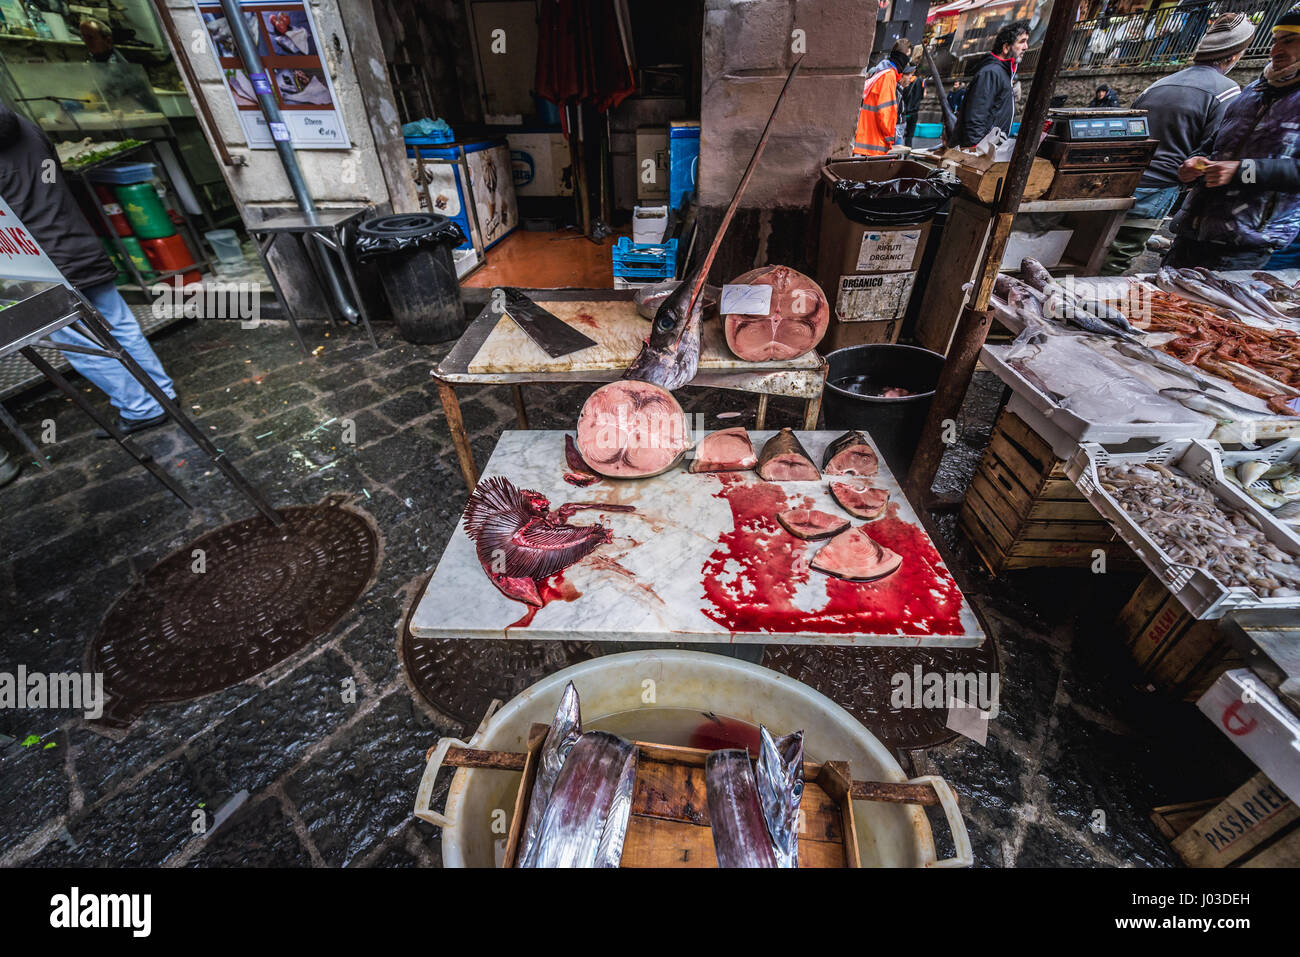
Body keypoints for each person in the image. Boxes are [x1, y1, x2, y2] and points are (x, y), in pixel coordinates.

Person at [0, 104, 177, 436]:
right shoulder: (21, 123)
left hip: (40, 262)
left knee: (78, 342)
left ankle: (142, 408)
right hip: (75, 241)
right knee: (119, 326)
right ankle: (160, 395)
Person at [1101, 13, 1249, 275]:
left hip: (1122, 179)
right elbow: (1214, 148)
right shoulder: (1226, 91)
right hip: (1161, 184)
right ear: (1235, 55)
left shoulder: (1158, 84)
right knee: (1117, 258)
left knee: (1097, 248)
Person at [1166, 11, 1300, 271]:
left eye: (1289, 40)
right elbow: (1216, 144)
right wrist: (1193, 164)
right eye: (1275, 40)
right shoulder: (1252, 91)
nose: (1275, 50)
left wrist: (1241, 171)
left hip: (1248, 245)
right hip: (1192, 232)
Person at [951, 20, 1030, 149]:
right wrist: (976, 149)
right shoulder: (991, 72)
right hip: (980, 150)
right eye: (1022, 41)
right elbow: (976, 115)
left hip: (988, 148)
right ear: (1006, 48)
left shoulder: (1001, 73)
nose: (1026, 47)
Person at [852, 39, 911, 156]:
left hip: (869, 139)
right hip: (876, 142)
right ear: (903, 57)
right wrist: (890, 136)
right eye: (908, 56)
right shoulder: (888, 77)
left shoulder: (881, 73)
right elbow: (886, 111)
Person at [900, 66, 925, 147]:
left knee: (900, 134)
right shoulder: (921, 81)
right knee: (910, 135)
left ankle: (900, 153)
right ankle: (907, 150)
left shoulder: (905, 82)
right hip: (914, 112)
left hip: (904, 112)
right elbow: (923, 95)